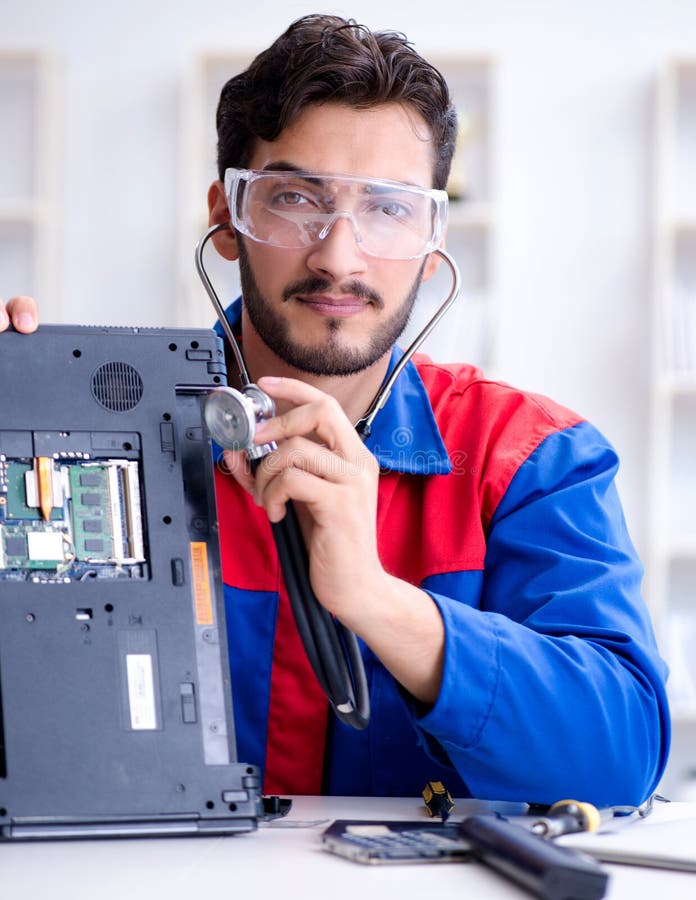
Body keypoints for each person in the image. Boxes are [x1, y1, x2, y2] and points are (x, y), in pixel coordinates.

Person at [1, 13, 670, 806]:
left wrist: (378, 600)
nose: (338, 256)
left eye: (387, 209)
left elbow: (621, 754)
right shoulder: (75, 430)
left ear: (432, 239)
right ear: (226, 218)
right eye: (293, 199)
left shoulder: (530, 457)